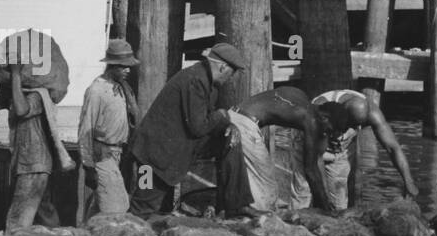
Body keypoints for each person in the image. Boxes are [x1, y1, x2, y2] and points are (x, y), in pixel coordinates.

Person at [126, 40, 246, 217]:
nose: (231, 78)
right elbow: (198, 127)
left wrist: (228, 126)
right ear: (223, 68)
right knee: (142, 208)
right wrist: (222, 115)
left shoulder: (205, 82)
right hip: (151, 158)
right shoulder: (196, 81)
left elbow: (205, 119)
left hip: (163, 157)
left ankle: (237, 202)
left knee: (161, 211)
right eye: (232, 73)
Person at [277, 88, 419, 210]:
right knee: (304, 196)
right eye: (348, 124)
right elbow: (316, 160)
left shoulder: (372, 112)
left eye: (356, 125)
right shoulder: (319, 112)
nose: (351, 128)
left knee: (339, 205)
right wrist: (323, 198)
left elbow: (393, 147)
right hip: (309, 143)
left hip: (339, 151)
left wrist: (408, 181)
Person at [219, 86, 333, 216]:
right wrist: (325, 208)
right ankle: (260, 225)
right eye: (329, 130)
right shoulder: (311, 119)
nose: (325, 133)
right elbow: (310, 170)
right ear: (325, 117)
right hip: (244, 124)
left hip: (233, 115)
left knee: (243, 176)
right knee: (267, 187)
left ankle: (228, 211)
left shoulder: (299, 95)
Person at [78, 39, 140, 218]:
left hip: (117, 154)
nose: (128, 70)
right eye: (123, 66)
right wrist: (88, 166)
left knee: (101, 208)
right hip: (102, 155)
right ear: (112, 66)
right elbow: (85, 128)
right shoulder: (96, 90)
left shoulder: (121, 87)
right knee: (116, 208)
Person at [5, 61, 68, 232]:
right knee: (44, 213)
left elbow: (21, 110)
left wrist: (15, 74)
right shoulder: (19, 93)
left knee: (18, 221)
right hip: (31, 164)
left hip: (33, 164)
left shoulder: (38, 96)